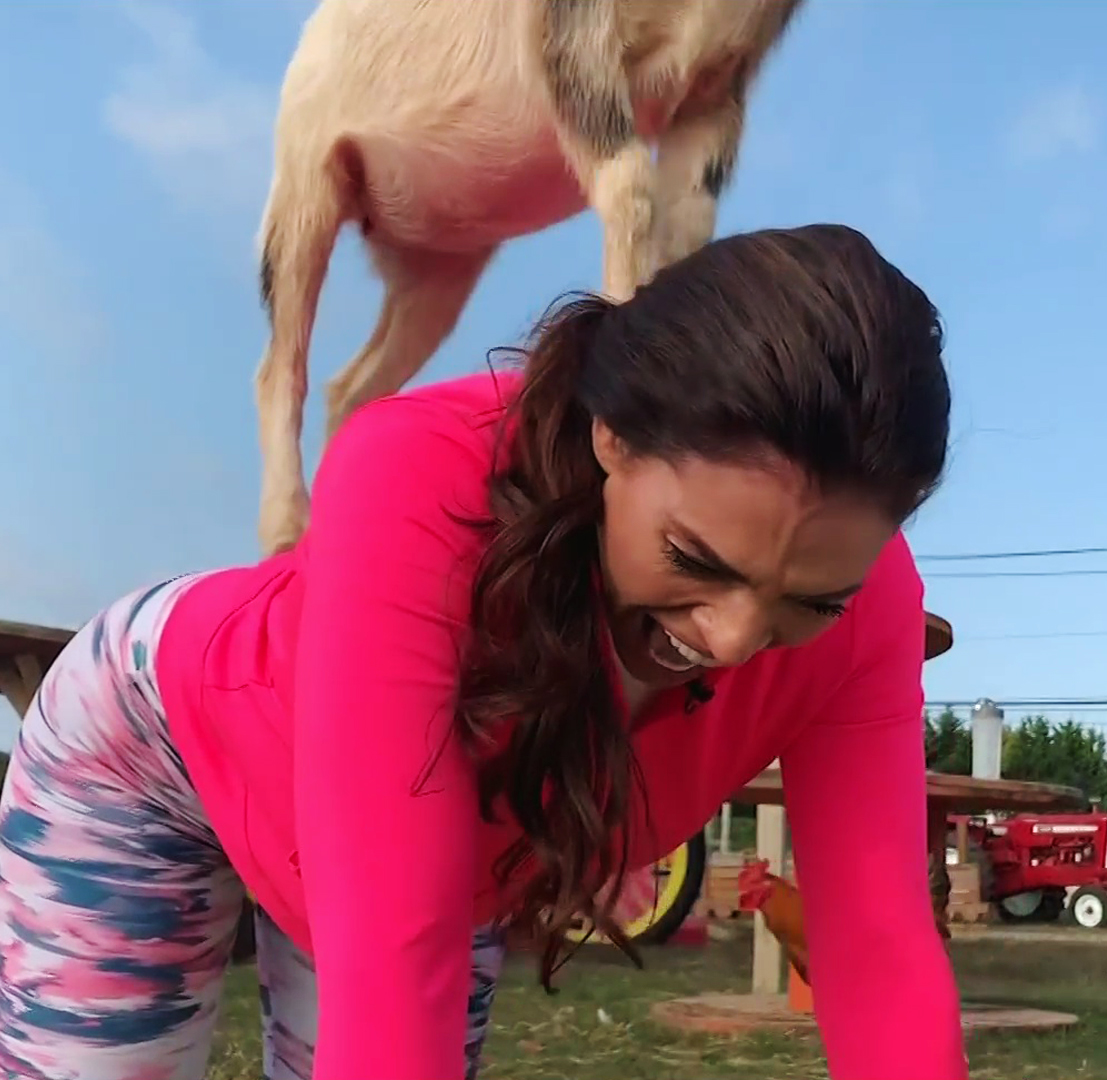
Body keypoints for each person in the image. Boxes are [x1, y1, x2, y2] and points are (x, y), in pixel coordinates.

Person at [0, 224, 969, 1080]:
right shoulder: (415, 473)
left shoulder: (875, 609)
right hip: (151, 746)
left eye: (811, 602)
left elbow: (877, 946)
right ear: (612, 438)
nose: (731, 639)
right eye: (691, 558)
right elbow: (396, 949)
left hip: (434, 864)